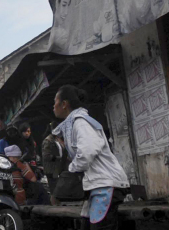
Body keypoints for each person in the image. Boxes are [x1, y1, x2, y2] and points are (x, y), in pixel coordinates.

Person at [53, 85, 129, 230]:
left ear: (64, 104)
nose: (53, 106)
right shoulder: (74, 123)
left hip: (105, 184)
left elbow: (87, 152)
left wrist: (71, 168)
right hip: (97, 186)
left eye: (55, 102)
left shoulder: (81, 123)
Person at [41, 122, 67, 201]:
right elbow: (46, 156)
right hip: (51, 169)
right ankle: (55, 205)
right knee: (54, 189)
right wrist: (58, 158)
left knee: (59, 187)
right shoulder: (48, 140)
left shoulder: (57, 139)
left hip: (58, 168)